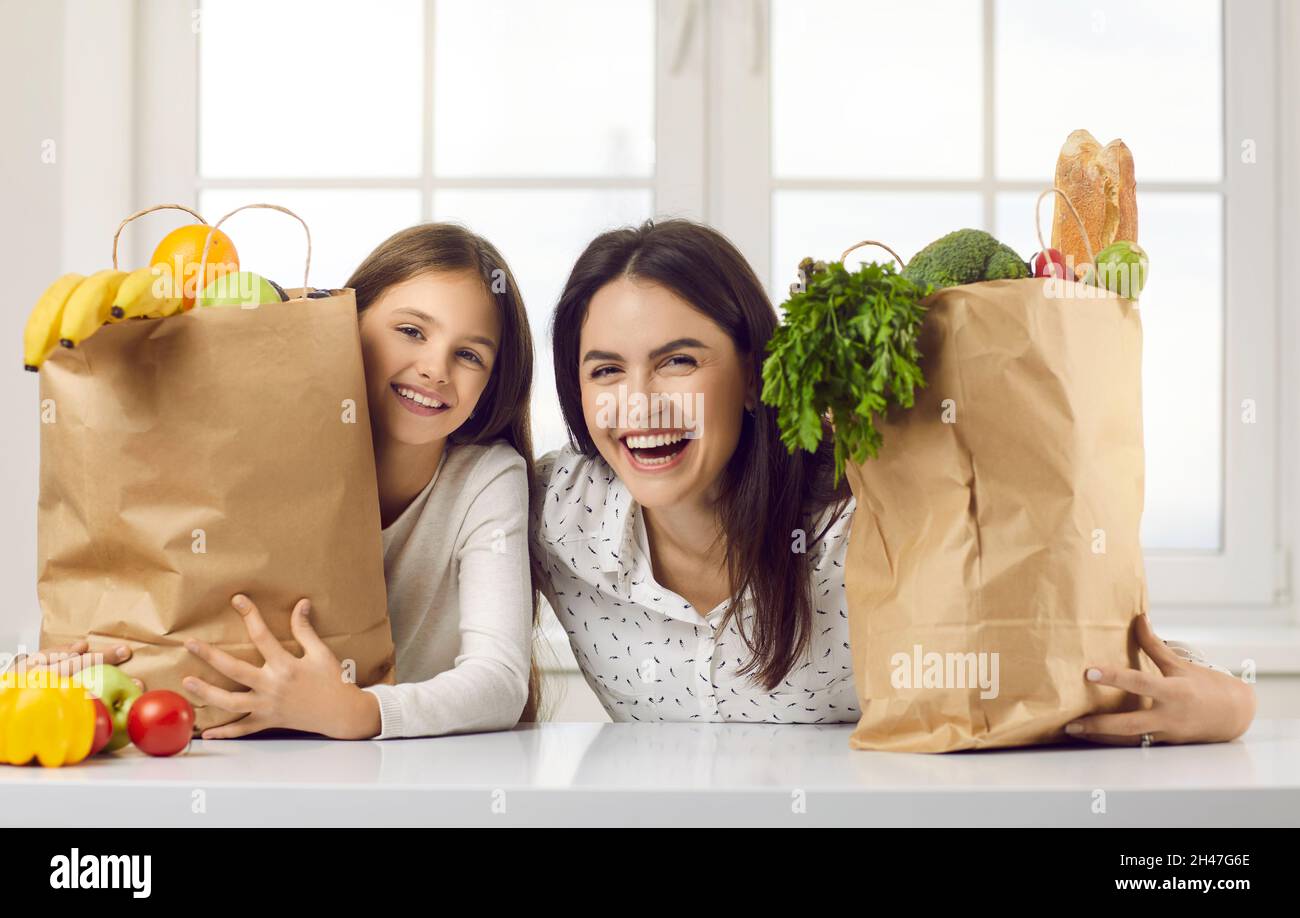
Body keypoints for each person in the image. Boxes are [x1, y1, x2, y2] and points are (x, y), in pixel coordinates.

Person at [531, 217, 1257, 745]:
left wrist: (1231, 708)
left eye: (679, 361)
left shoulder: (869, 512)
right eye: (605, 370)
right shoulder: (558, 518)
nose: (640, 403)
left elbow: (1053, 641)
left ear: (756, 376)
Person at [22, 223, 545, 741]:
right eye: (411, 331)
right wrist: (65, 662)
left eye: (470, 355)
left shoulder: (485, 480)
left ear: (492, 381)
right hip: (226, 758)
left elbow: (499, 682)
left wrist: (355, 711)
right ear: (344, 319)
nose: (435, 368)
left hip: (394, 776)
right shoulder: (251, 446)